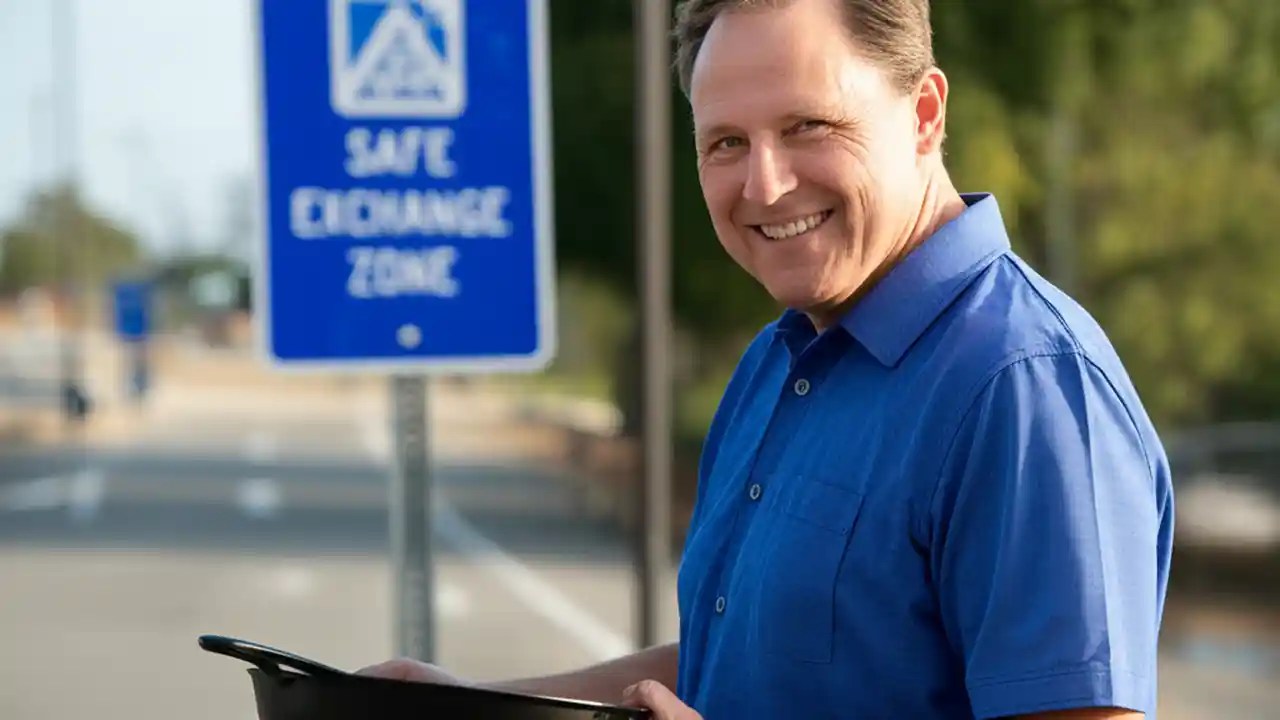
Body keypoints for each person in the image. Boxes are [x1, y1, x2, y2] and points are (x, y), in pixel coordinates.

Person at [359, 0, 1176, 717]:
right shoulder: (778, 361)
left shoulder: (1025, 385)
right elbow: (736, 672)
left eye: (807, 127)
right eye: (724, 143)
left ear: (924, 113)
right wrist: (466, 709)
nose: (766, 184)